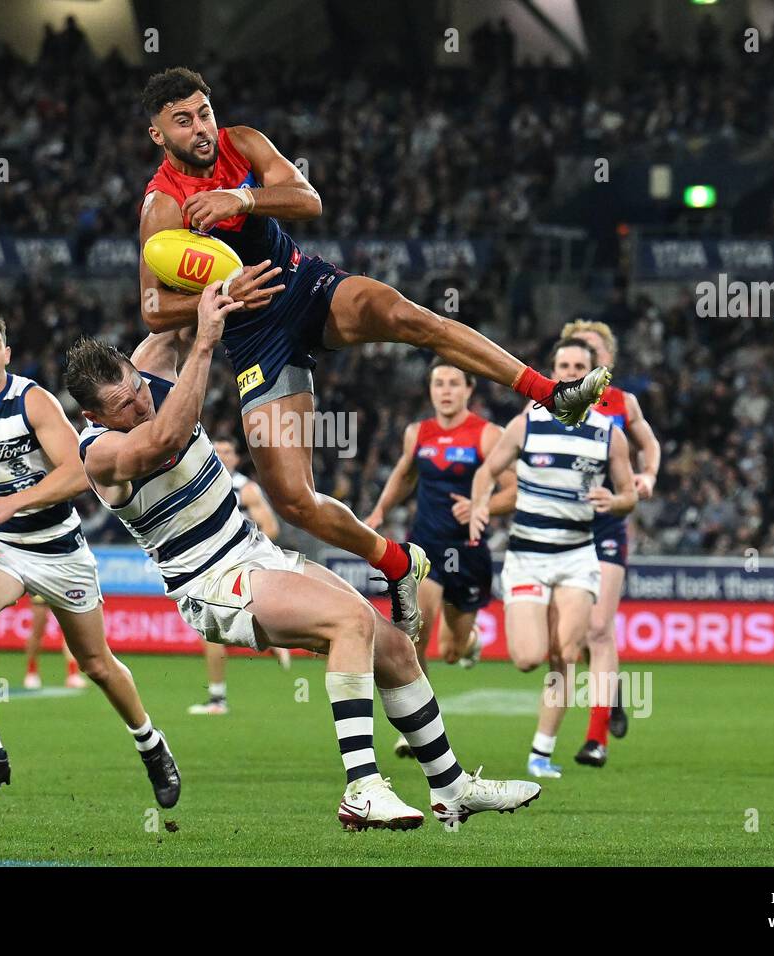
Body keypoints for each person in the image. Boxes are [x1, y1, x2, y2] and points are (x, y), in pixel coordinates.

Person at [135, 67, 611, 640]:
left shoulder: (244, 143)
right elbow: (153, 309)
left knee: (411, 317)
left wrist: (242, 197)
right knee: (294, 501)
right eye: (182, 121)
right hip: (253, 336)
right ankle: (397, 564)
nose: (201, 128)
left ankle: (551, 394)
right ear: (158, 134)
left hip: (303, 286)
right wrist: (221, 297)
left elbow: (308, 200)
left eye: (204, 112)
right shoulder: (163, 207)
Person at [67, 283, 541, 829]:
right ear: (94, 415)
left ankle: (452, 787)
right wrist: (204, 342)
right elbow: (164, 441)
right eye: (123, 406)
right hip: (213, 583)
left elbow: (170, 298)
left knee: (390, 644)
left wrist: (223, 275)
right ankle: (362, 788)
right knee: (347, 623)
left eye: (135, 388)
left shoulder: (149, 365)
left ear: (131, 366)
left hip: (255, 554)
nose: (140, 402)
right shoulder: (100, 452)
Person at [0, 308, 180, 805]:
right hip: (3, 547)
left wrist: (11, 502)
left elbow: (82, 472)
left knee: (97, 664)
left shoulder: (31, 401)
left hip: (59, 550)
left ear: (7, 354)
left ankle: (150, 743)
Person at [469, 338, 637, 778]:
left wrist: (615, 502)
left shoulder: (608, 433)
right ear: (552, 370)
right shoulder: (526, 424)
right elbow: (487, 470)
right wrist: (479, 506)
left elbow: (630, 494)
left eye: (578, 365)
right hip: (527, 557)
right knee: (528, 657)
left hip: (578, 556)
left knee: (566, 652)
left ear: (591, 375)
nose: (568, 372)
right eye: (562, 364)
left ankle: (541, 753)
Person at [366, 361, 515, 757]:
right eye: (438, 384)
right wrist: (380, 512)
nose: (445, 391)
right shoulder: (418, 433)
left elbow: (515, 490)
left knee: (452, 650)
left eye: (453, 384)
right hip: (425, 549)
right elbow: (404, 476)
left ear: (469, 390)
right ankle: (417, 728)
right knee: (411, 637)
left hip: (468, 552)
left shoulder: (488, 435)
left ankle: (470, 642)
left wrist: (483, 504)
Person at [563, 320, 661, 761]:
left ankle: (595, 738)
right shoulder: (551, 401)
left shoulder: (621, 403)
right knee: (573, 635)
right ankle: (611, 688)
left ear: (607, 358)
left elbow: (649, 443)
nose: (587, 359)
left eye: (595, 351)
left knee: (599, 627)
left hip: (606, 524)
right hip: (557, 527)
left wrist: (647, 476)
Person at [187, 437, 288, 715]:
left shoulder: (246, 489)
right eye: (216, 450)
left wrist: (239, 551)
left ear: (235, 458)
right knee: (213, 628)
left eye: (227, 451)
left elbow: (271, 527)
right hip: (212, 568)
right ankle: (271, 639)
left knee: (211, 628)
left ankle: (218, 699)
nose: (222, 455)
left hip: (241, 566)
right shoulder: (197, 485)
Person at [23, 595, 89, 690]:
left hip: (62, 588)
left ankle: (73, 674)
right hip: (41, 588)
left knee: (69, 631)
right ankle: (31, 672)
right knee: (37, 631)